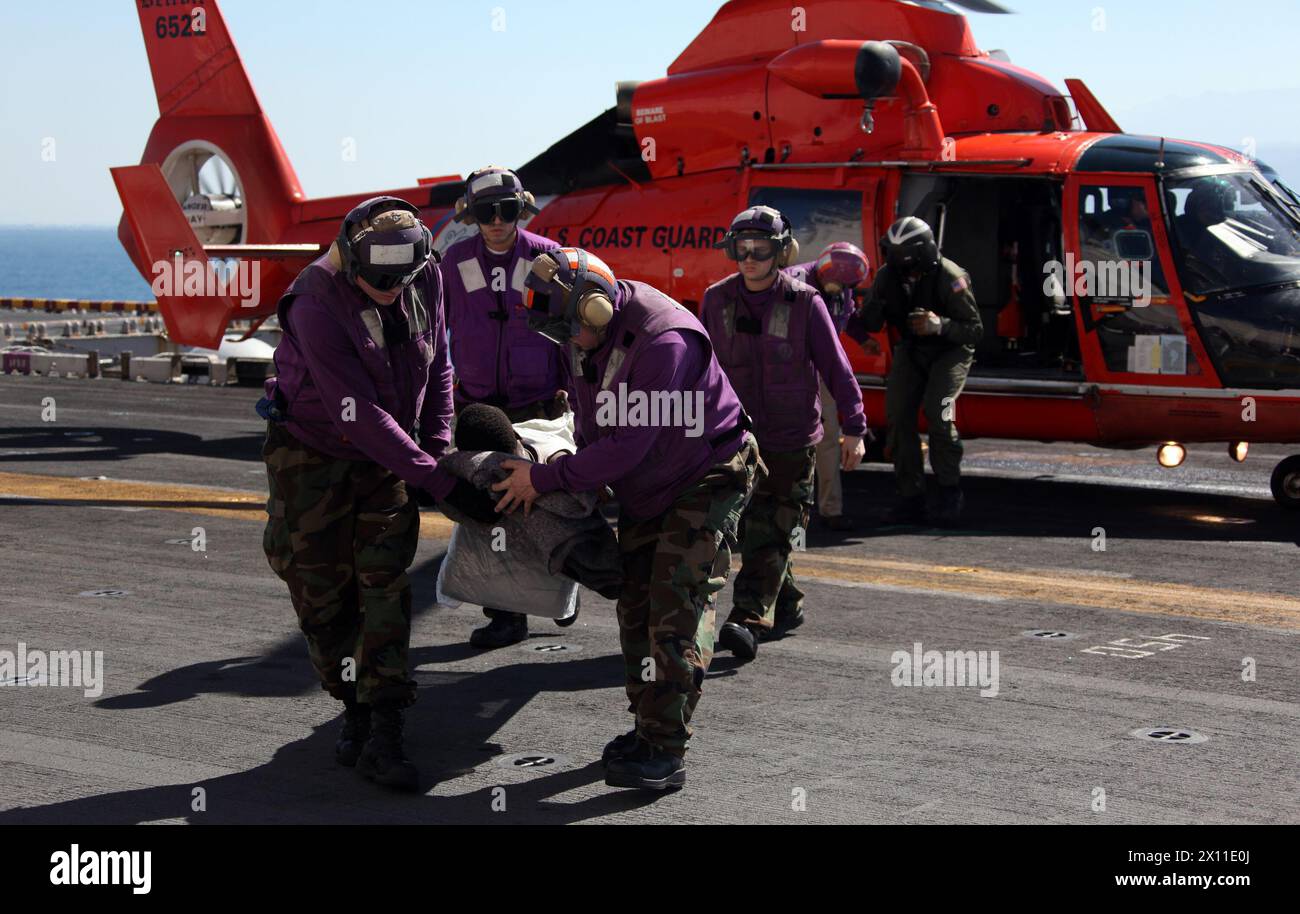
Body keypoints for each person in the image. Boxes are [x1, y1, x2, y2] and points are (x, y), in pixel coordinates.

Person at [490, 247, 762, 791]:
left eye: (570, 332)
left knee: (672, 612)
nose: (567, 344)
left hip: (703, 474)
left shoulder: (664, 341)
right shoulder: (580, 333)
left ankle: (665, 750)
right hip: (648, 484)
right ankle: (647, 727)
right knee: (634, 608)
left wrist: (544, 479)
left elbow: (629, 446)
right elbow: (594, 422)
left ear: (594, 310)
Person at [260, 197, 500, 793]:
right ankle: (354, 706)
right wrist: (436, 479)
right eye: (378, 279)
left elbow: (440, 363)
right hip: (312, 452)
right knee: (319, 592)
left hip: (390, 451)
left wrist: (440, 445)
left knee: (384, 584)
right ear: (351, 260)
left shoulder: (425, 274)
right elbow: (356, 413)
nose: (391, 289)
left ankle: (385, 724)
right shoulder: (315, 301)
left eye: (403, 276)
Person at [702, 207, 868, 662]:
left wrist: (854, 428)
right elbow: (702, 370)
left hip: (792, 438)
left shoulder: (805, 302)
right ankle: (788, 602)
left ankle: (748, 616)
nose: (750, 258)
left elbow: (837, 368)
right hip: (736, 438)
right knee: (762, 527)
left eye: (760, 249)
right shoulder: (716, 301)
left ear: (781, 252)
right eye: (741, 249)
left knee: (775, 528)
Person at [440, 166, 564, 649]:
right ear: (471, 215)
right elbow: (434, 335)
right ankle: (507, 615)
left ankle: (558, 594)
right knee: (498, 514)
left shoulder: (548, 261)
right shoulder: (453, 262)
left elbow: (572, 335)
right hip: (481, 411)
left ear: (521, 210)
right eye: (485, 213)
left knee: (549, 508)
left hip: (538, 406)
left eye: (506, 211)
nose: (495, 221)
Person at [861, 216, 982, 526]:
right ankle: (910, 495)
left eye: (906, 255)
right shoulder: (888, 276)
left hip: (950, 351)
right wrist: (874, 304)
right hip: (912, 348)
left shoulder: (951, 277)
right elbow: (871, 322)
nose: (900, 262)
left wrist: (940, 325)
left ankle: (948, 492)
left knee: (940, 414)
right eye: (895, 254)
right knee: (898, 417)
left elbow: (974, 330)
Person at [784, 241, 872, 532]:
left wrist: (863, 339)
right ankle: (783, 509)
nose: (837, 287)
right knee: (784, 442)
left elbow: (849, 315)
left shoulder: (843, 290)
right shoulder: (793, 282)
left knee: (828, 439)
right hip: (785, 374)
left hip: (821, 370)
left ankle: (830, 510)